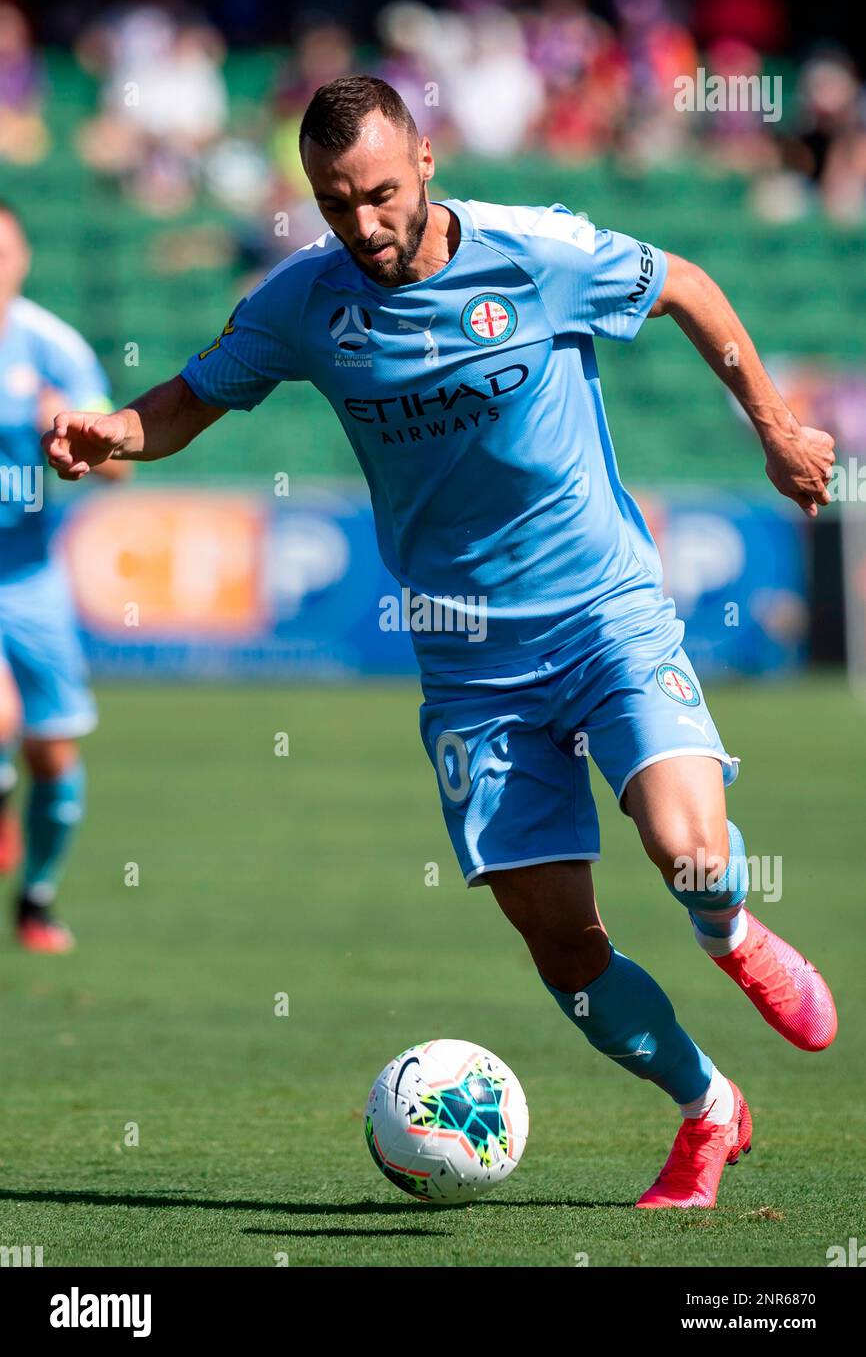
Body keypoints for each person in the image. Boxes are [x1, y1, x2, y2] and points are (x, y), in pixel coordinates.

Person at [42, 76, 838, 1207]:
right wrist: (116, 427)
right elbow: (186, 400)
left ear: (424, 160)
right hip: (466, 661)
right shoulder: (302, 305)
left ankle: (730, 933)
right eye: (332, 204)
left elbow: (686, 287)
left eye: (375, 193)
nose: (360, 224)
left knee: (687, 849)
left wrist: (772, 427)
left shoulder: (537, 252)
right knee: (563, 945)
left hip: (602, 613)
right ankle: (707, 1107)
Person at [0, 202, 126, 952]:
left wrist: (72, 433)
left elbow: (116, 470)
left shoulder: (54, 350)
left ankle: (36, 900)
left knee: (54, 752)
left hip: (32, 574)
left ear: (23, 258)